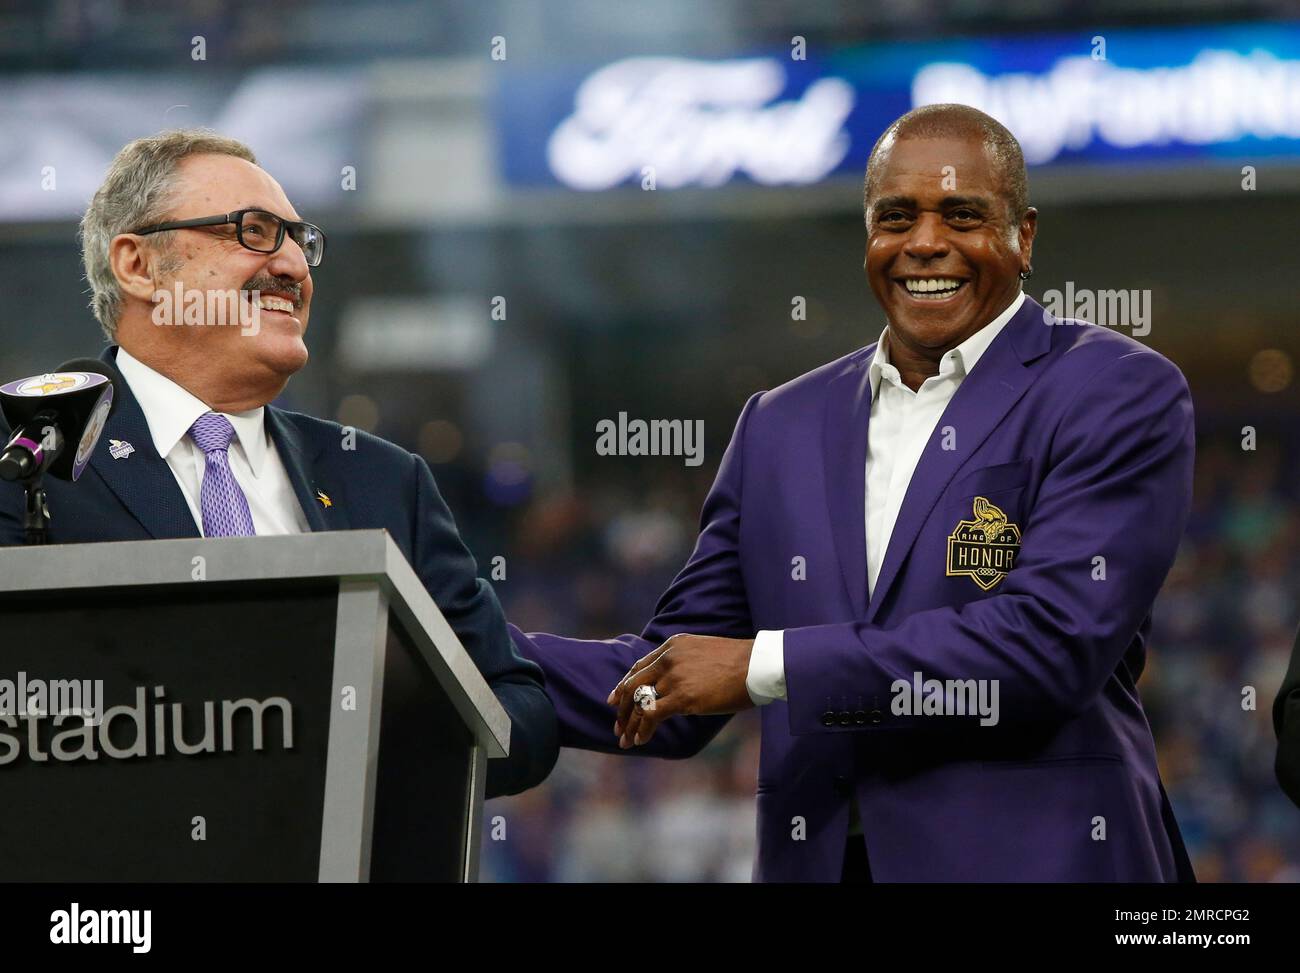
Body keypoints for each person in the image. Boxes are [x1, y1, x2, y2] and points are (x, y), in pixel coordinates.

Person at [512, 104, 1197, 881]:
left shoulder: (1112, 387)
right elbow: (671, 673)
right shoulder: (779, 423)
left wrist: (769, 665)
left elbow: (1048, 646)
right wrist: (464, 643)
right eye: (896, 216)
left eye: (963, 215)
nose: (926, 243)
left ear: (1024, 236)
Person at [0, 129, 557, 798]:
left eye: (299, 240)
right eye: (254, 231)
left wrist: (362, 733)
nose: (293, 265)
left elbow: (520, 709)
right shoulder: (28, 465)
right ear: (139, 265)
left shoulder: (383, 480)